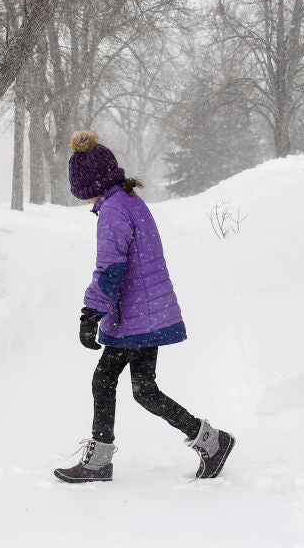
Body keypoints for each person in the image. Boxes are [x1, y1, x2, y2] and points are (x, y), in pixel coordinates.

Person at [54, 129, 236, 483]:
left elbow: (111, 267)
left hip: (138, 316)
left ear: (88, 183)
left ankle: (100, 462)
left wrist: (90, 313)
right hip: (143, 313)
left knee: (110, 380)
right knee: (140, 389)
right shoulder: (127, 200)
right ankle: (212, 443)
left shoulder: (113, 211)